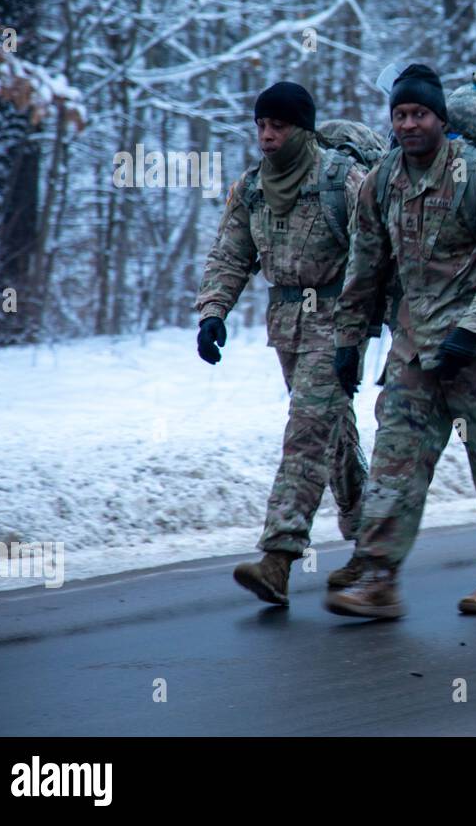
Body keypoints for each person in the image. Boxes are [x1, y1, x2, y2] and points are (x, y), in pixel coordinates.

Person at [324, 63, 476, 619]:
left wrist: (474, 327)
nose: (410, 124)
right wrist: (350, 341)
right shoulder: (384, 180)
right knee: (396, 457)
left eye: (420, 113)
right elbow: (364, 265)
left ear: (440, 118)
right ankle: (379, 577)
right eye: (401, 115)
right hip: (414, 349)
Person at [195, 81, 370, 604]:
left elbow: (379, 254)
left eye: (279, 126)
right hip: (288, 326)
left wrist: (365, 329)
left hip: (338, 321)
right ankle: (371, 534)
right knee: (332, 431)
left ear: (303, 128)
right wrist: (212, 313)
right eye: (262, 127)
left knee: (305, 435)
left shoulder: (343, 179)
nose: (268, 137)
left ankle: (278, 557)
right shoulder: (252, 188)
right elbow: (229, 254)